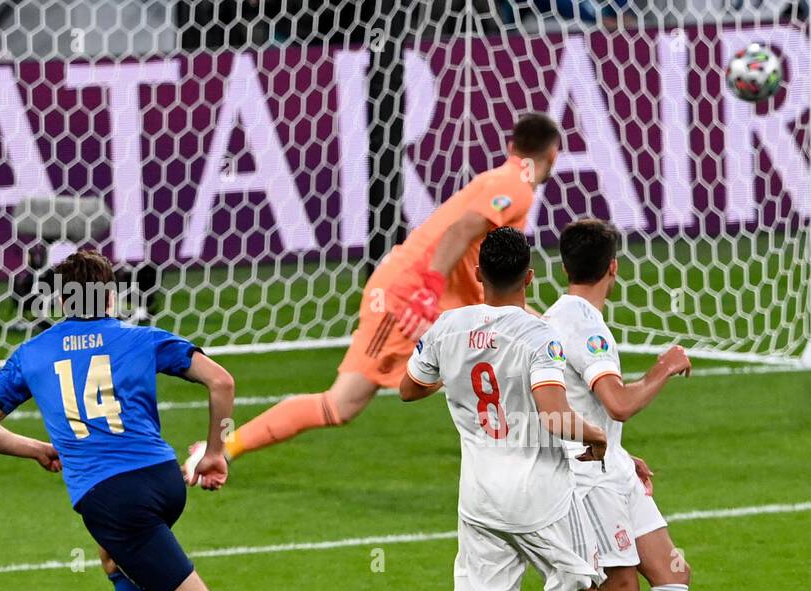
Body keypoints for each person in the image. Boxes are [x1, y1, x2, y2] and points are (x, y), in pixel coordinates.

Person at [0, 249, 328, 591]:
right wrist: (216, 451)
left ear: (59, 300)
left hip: (111, 500)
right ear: (111, 296)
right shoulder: (142, 339)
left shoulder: (31, 354)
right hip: (162, 480)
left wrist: (39, 449)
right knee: (114, 559)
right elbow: (222, 381)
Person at [184, 113, 562, 479]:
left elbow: (475, 255)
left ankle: (543, 457)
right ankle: (221, 449)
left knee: (522, 349)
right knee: (339, 404)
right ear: (553, 153)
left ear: (511, 145)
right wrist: (428, 290)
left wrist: (544, 321)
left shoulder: (502, 180)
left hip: (432, 299)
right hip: (406, 299)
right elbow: (462, 229)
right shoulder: (516, 185)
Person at [399, 227, 607, 591]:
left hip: (479, 497)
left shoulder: (448, 327)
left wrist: (461, 371)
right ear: (530, 278)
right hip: (537, 496)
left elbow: (408, 389)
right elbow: (553, 414)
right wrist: (595, 435)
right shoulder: (540, 336)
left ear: (477, 276)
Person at [545, 218, 754, 591]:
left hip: (609, 464)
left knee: (672, 572)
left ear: (565, 266)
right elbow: (618, 401)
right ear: (614, 268)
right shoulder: (585, 325)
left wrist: (622, 450)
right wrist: (665, 367)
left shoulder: (559, 316)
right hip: (589, 477)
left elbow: (582, 405)